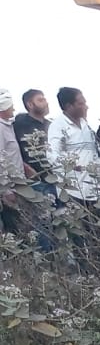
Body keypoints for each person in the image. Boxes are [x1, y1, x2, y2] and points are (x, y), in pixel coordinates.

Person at [48, 87, 100, 213]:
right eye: (81, 103)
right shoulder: (57, 126)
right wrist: (71, 165)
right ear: (69, 106)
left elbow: (94, 158)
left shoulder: (86, 126)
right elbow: (51, 155)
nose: (86, 107)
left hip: (95, 189)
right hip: (72, 192)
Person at [0, 90, 29, 236]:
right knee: (16, 231)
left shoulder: (9, 126)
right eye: (11, 106)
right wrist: (6, 190)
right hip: (10, 188)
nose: (14, 109)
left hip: (20, 186)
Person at [12, 89, 50, 179]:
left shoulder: (50, 125)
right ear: (30, 104)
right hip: (32, 180)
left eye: (45, 100)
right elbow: (11, 149)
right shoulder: (19, 123)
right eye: (41, 100)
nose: (46, 103)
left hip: (53, 176)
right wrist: (26, 168)